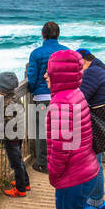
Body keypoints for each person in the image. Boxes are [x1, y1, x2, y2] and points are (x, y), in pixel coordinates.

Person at [43, 49, 98, 209]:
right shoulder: (75, 95)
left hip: (72, 178)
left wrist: (53, 174)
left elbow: (60, 149)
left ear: (59, 74)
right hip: (85, 171)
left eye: (49, 71)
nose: (45, 76)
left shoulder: (62, 104)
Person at [77, 48, 105, 209]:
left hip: (99, 124)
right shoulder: (100, 68)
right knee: (94, 161)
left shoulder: (92, 73)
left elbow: (79, 96)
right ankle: (93, 198)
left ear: (84, 61)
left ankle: (96, 202)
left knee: (95, 163)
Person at [25, 21, 67, 173]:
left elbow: (32, 76)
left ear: (43, 34)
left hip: (42, 96)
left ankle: (42, 162)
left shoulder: (36, 53)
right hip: (63, 96)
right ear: (58, 34)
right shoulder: (66, 52)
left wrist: (33, 89)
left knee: (42, 132)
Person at [0, 70, 31, 197]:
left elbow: (8, 122)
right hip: (19, 134)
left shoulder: (7, 102)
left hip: (11, 137)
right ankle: (25, 182)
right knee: (19, 160)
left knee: (16, 162)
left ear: (1, 89)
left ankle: (20, 189)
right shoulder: (15, 97)